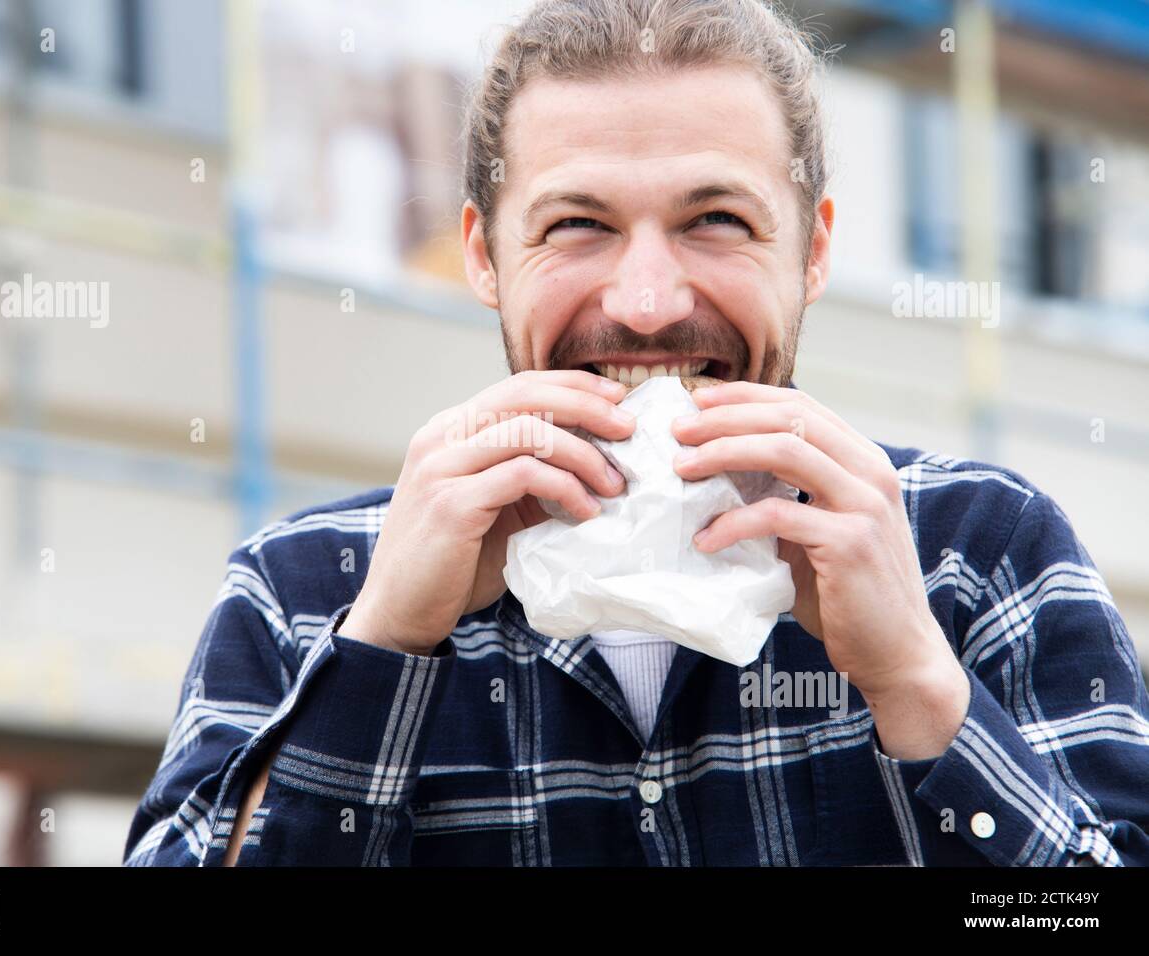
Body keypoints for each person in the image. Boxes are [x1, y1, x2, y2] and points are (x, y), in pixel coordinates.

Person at [124, 0, 1149, 867]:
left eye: (717, 221)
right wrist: (383, 645)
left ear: (812, 251)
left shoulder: (983, 551)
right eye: (578, 224)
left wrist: (922, 690)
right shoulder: (304, 590)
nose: (649, 302)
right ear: (484, 256)